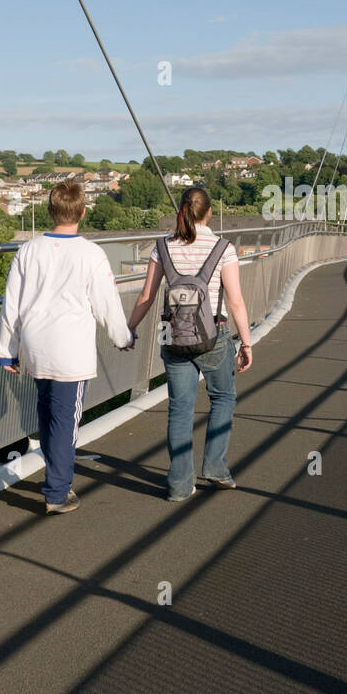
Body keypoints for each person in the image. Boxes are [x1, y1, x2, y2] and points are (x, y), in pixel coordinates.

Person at [0, 179, 135, 514]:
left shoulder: (28, 250)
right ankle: (57, 492)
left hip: (36, 347)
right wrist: (123, 338)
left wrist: (7, 350)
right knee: (66, 421)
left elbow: (11, 304)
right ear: (83, 213)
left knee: (47, 413)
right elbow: (106, 304)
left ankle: (55, 481)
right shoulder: (92, 254)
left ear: (50, 211)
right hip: (71, 352)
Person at [127, 186, 252, 500]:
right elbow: (235, 302)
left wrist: (129, 328)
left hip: (172, 336)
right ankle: (216, 468)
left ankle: (180, 486)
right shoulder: (223, 248)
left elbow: (147, 296)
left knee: (180, 409)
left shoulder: (162, 247)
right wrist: (246, 343)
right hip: (214, 336)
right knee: (222, 397)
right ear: (209, 212)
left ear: (181, 212)